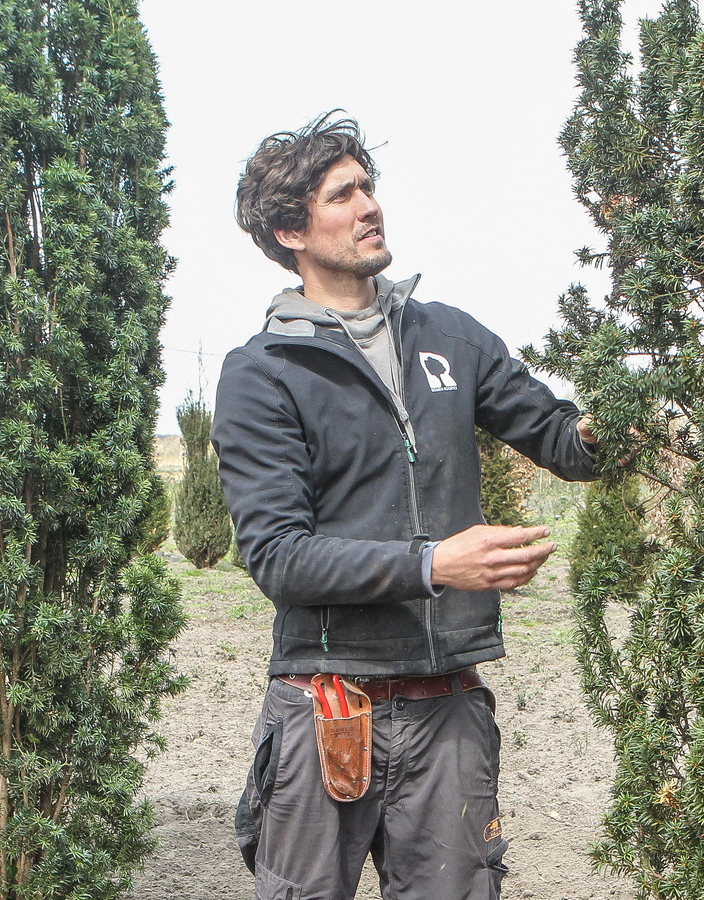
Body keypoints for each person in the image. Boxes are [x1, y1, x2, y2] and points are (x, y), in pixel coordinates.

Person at [211, 112, 601, 900]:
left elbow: (564, 442)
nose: (369, 207)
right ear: (290, 231)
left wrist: (609, 422)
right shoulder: (264, 372)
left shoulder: (448, 337)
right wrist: (436, 565)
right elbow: (279, 558)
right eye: (341, 195)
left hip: (448, 705)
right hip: (326, 706)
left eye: (368, 187)